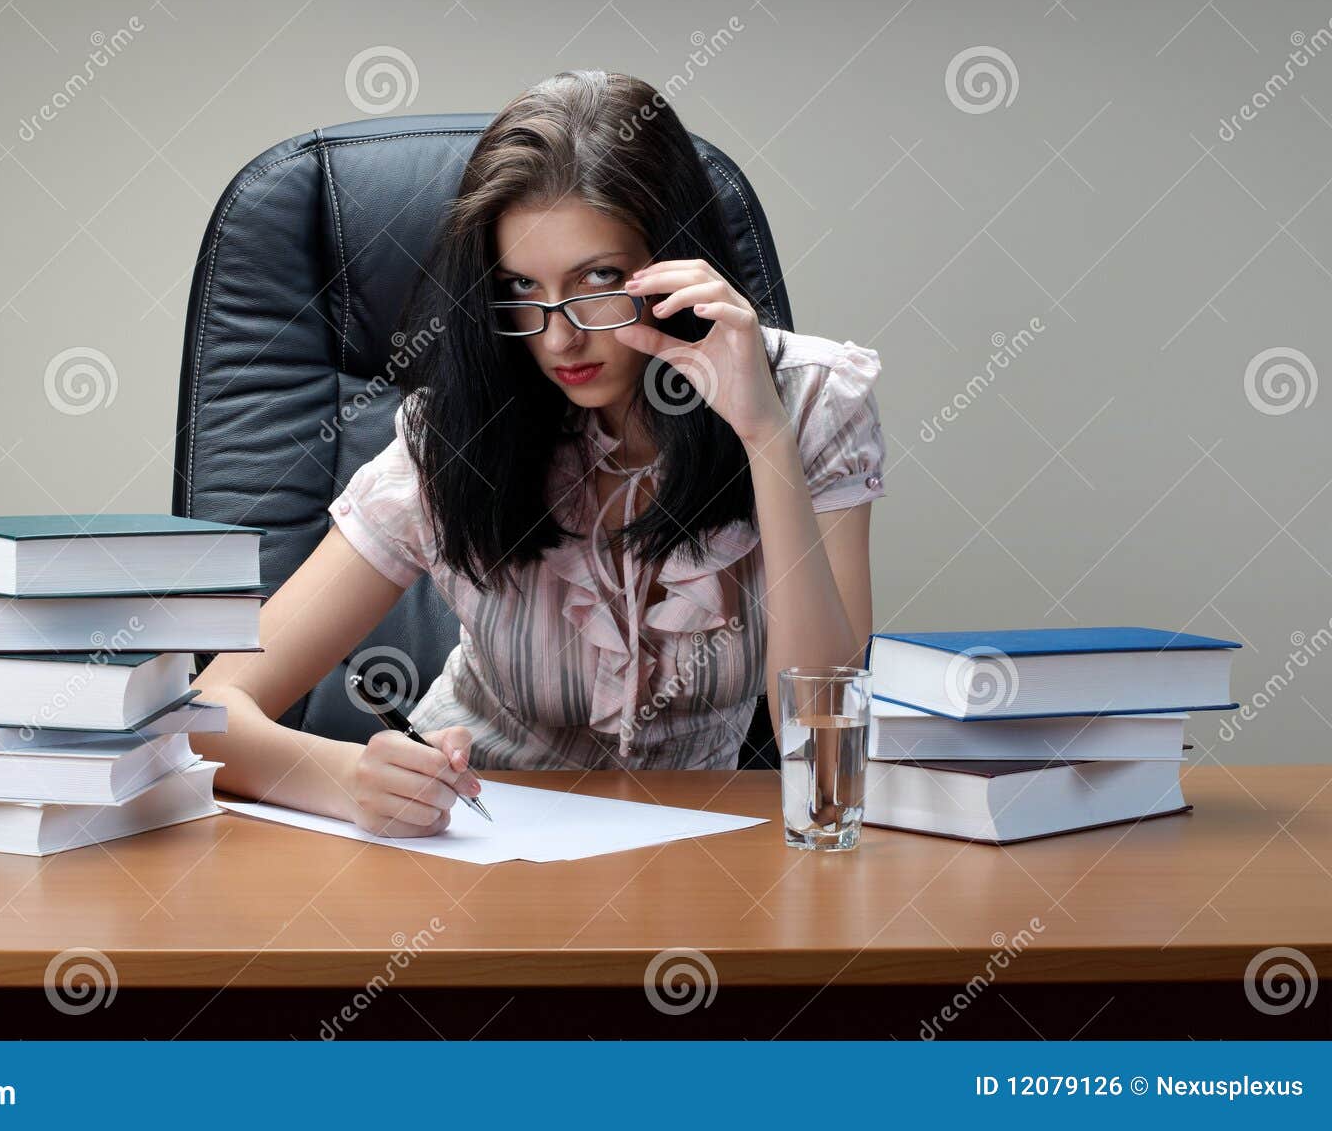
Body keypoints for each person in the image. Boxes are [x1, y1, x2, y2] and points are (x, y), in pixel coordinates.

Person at [190, 69, 886, 837]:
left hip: (697, 852)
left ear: (678, 261)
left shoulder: (813, 399)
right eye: (522, 285)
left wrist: (763, 433)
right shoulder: (453, 430)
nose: (559, 338)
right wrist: (348, 777)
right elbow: (205, 715)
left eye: (598, 278)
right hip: (480, 840)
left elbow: (817, 732)